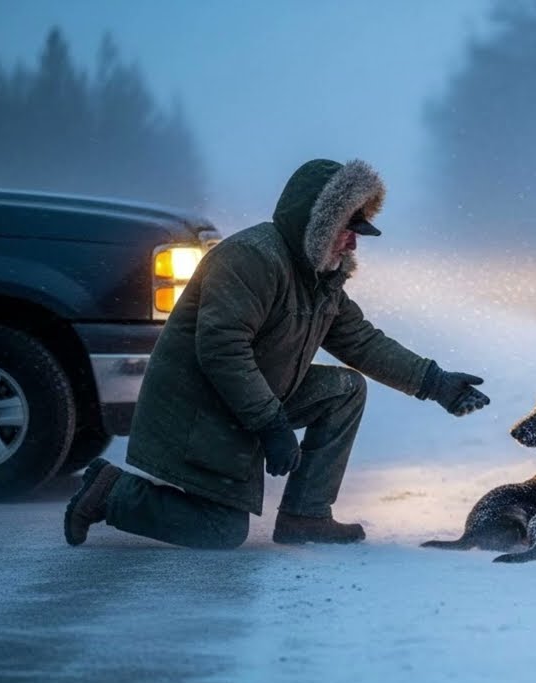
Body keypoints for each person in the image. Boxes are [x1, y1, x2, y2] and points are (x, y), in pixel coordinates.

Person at [64, 158, 489, 548]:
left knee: (344, 389)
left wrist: (435, 383)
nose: (353, 246)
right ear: (319, 223)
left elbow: (361, 341)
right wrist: (271, 423)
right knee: (220, 531)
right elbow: (222, 350)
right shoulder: (252, 258)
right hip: (201, 410)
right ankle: (111, 492)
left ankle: (306, 515)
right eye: (348, 232)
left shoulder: (319, 279)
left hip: (248, 401)